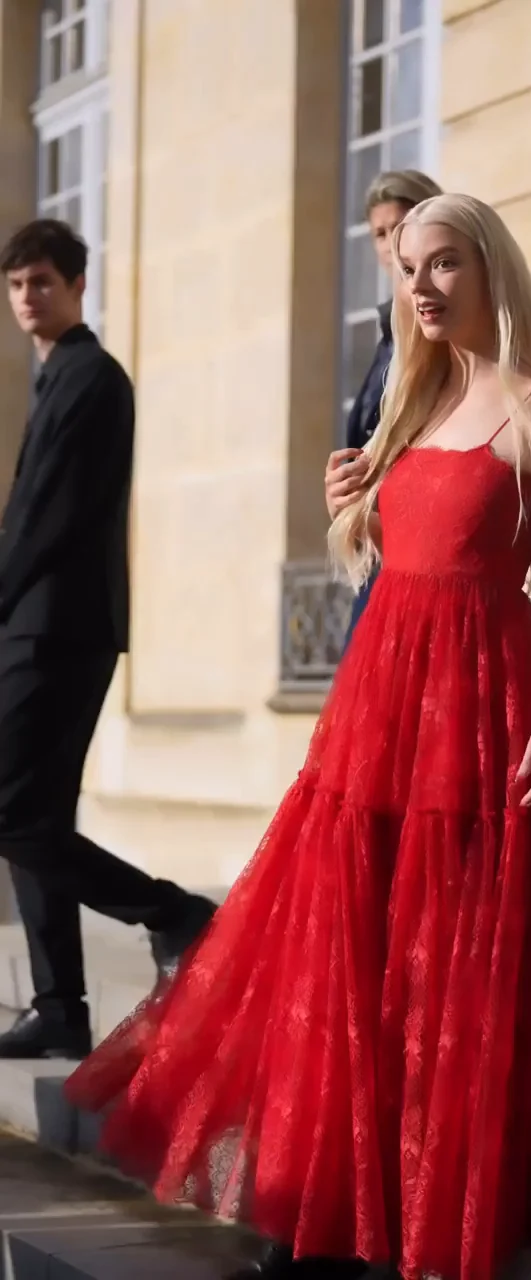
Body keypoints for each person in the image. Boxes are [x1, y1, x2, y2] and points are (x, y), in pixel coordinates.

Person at [66, 195, 531, 1280]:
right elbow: (391, 561)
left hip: (485, 699)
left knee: (462, 951)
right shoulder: (411, 409)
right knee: (362, 944)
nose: (422, 286)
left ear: (489, 268)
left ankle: (442, 1192)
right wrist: (355, 508)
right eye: (409, 267)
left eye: (446, 263)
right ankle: (338, 1201)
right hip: (382, 704)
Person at [0, 219, 214, 1061]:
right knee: (31, 814)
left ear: (79, 285)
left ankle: (172, 911)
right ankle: (59, 1006)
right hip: (41, 624)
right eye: (17, 285)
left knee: (13, 811)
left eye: (42, 282)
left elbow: (42, 520)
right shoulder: (59, 376)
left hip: (59, 629)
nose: (27, 297)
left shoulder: (91, 378)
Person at [342, 170, 441, 651]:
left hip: (418, 552)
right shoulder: (389, 333)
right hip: (379, 548)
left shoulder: (438, 329)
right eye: (379, 233)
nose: (388, 244)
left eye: (399, 226)